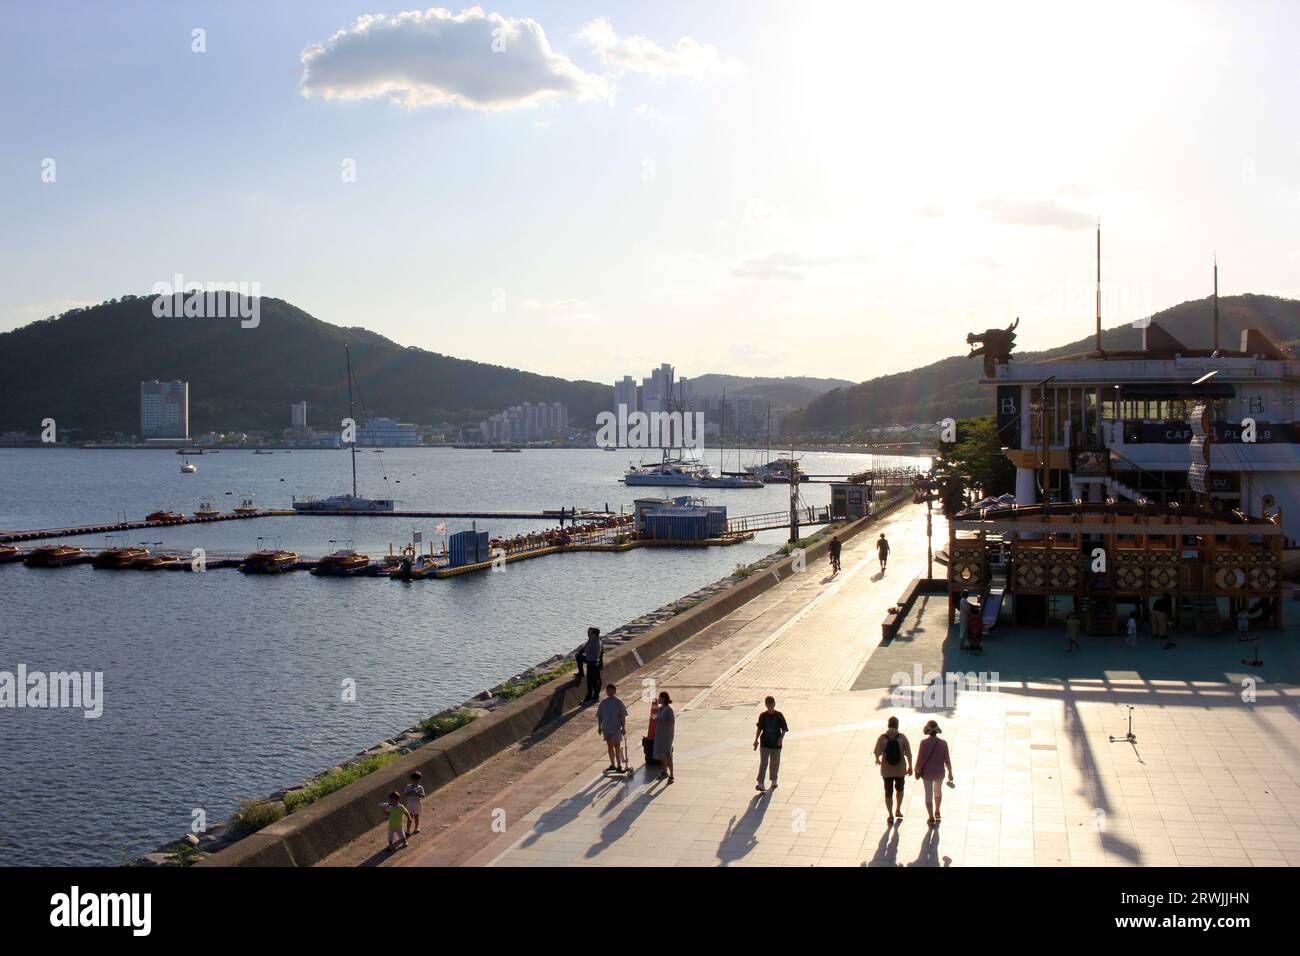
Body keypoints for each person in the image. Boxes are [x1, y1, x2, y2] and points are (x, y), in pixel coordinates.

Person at [914, 720, 954, 827]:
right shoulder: (943, 743)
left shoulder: (923, 743)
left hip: (927, 773)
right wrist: (950, 772)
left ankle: (931, 817)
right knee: (938, 791)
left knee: (928, 794)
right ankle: (937, 811)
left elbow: (919, 759)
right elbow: (947, 760)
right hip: (939, 772)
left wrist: (916, 770)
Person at [873, 716, 912, 823]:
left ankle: (890, 814)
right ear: (897, 725)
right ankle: (898, 810)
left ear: (888, 725)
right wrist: (910, 766)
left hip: (886, 770)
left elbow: (877, 752)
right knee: (900, 790)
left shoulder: (882, 738)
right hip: (900, 769)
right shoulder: (902, 737)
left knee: (888, 792)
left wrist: (878, 759)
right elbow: (908, 753)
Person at [753, 696, 789, 793]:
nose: (770, 707)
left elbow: (784, 729)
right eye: (768, 705)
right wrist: (756, 740)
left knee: (775, 763)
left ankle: (774, 780)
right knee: (763, 763)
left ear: (774, 704)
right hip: (765, 743)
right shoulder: (763, 716)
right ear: (765, 705)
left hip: (776, 745)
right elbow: (759, 729)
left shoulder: (779, 715)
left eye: (771, 705)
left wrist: (780, 739)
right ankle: (760, 783)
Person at [596, 683, 628, 773]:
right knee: (610, 746)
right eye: (608, 691)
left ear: (615, 691)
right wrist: (599, 727)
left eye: (611, 691)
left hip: (616, 728)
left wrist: (623, 727)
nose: (609, 693)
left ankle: (619, 765)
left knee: (617, 746)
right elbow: (600, 716)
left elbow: (623, 716)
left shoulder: (619, 702)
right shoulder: (603, 702)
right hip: (606, 728)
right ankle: (612, 765)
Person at [653, 691, 675, 784]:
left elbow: (671, 722)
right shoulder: (660, 709)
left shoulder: (669, 710)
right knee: (662, 753)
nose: (658, 699)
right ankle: (664, 772)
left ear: (664, 699)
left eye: (660, 698)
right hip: (660, 734)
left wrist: (660, 721)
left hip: (667, 734)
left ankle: (672, 774)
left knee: (668, 754)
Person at [582, 627, 604, 703]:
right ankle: (595, 696)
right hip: (595, 662)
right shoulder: (598, 641)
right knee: (594, 680)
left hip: (592, 663)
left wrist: (588, 642)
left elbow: (587, 651)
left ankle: (590, 697)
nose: (588, 634)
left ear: (594, 634)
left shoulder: (593, 642)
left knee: (591, 681)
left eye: (590, 633)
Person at [402, 771, 426, 838]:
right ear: (411, 779)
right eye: (414, 780)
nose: (415, 782)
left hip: (417, 803)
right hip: (410, 803)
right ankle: (408, 830)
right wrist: (410, 792)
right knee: (410, 817)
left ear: (419, 780)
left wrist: (418, 793)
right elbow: (405, 794)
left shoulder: (420, 787)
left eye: (417, 780)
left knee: (416, 816)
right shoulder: (408, 786)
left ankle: (416, 827)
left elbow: (423, 796)